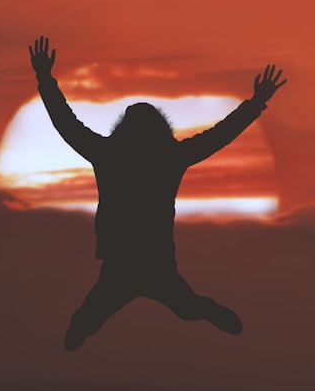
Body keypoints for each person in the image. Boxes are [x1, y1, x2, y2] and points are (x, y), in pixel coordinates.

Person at [28, 36, 286, 351]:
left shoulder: (108, 153)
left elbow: (65, 122)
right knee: (187, 308)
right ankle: (201, 309)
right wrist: (256, 102)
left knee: (93, 313)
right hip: (156, 258)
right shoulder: (170, 156)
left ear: (124, 127)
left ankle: (82, 327)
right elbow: (220, 135)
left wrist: (44, 77)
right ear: (160, 128)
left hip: (122, 259)